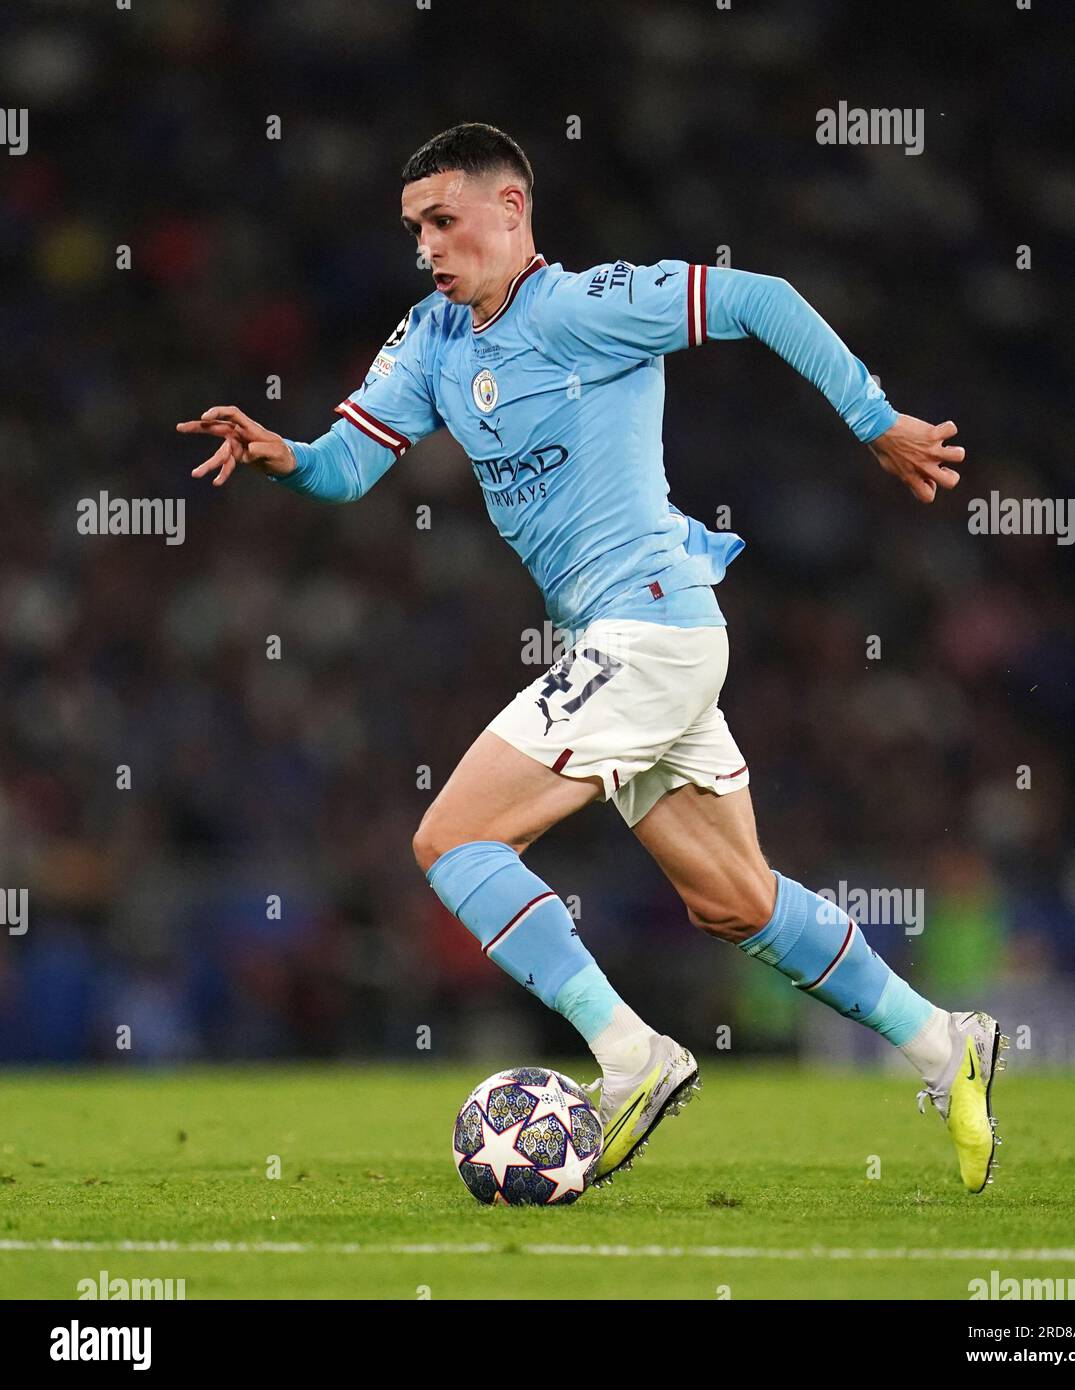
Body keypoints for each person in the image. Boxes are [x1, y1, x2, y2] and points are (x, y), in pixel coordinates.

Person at [178, 122, 1003, 1194]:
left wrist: (873, 418)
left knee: (451, 836)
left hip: (648, 627)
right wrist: (284, 454)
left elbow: (755, 297)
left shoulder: (584, 307)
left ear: (511, 210)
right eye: (414, 227)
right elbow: (345, 470)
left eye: (444, 219)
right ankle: (947, 1043)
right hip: (638, 642)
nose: (427, 245)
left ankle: (629, 1052)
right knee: (734, 902)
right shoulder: (430, 336)